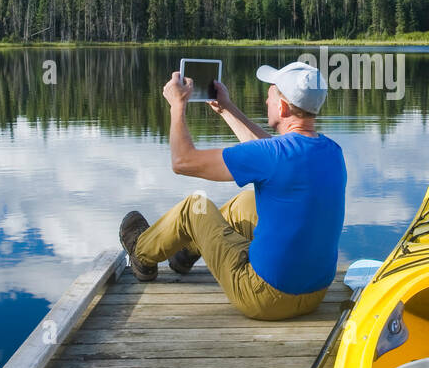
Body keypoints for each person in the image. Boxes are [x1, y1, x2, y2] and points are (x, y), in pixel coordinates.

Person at [120, 62, 346, 321]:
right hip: (314, 295)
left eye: (270, 95)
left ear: (282, 107)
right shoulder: (331, 151)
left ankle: (141, 254)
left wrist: (177, 106)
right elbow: (272, 154)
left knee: (195, 207)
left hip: (264, 297)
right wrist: (226, 108)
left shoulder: (272, 156)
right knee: (247, 202)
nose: (266, 99)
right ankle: (188, 251)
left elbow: (182, 162)